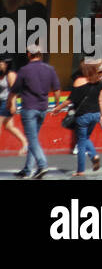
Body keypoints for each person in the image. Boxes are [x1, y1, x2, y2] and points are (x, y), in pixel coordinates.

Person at [13, 46, 59, 178]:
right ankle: (27, 170)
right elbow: (56, 89)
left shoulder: (24, 70)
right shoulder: (50, 69)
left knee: (32, 139)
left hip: (29, 108)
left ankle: (42, 165)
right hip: (43, 108)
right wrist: (56, 105)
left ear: (28, 54)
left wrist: (12, 103)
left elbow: (15, 90)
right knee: (34, 139)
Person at [55, 62, 102, 176]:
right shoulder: (99, 83)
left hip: (83, 115)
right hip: (95, 114)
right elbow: (101, 100)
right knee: (86, 138)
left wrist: (58, 108)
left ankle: (80, 170)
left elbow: (70, 100)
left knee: (81, 142)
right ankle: (94, 156)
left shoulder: (79, 81)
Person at [0, 59, 27, 156]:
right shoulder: (1, 74)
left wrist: (13, 104)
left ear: (6, 65)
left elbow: (14, 91)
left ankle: (25, 143)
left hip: (6, 102)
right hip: (1, 101)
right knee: (9, 126)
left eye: (1, 63)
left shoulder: (10, 75)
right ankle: (25, 143)